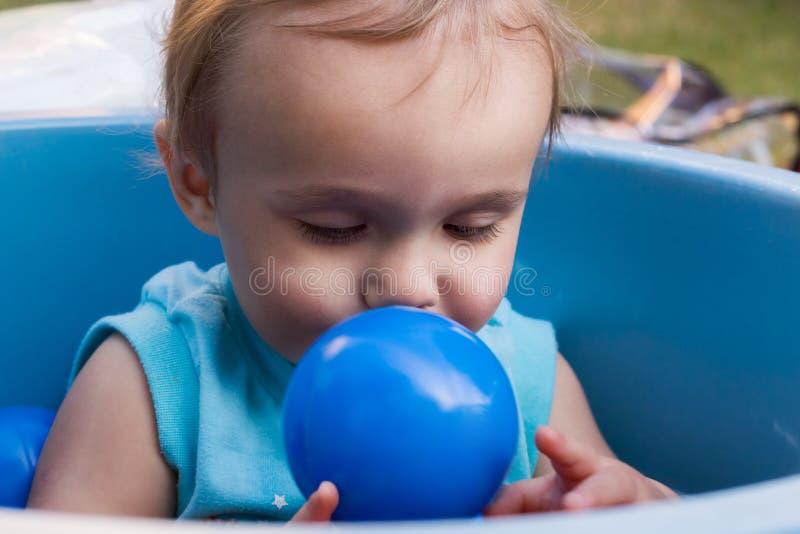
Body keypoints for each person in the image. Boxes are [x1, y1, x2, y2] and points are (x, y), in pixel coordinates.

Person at [27, 0, 677, 522]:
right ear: (199, 182)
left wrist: (633, 508)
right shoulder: (158, 384)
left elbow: (667, 515)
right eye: (333, 228)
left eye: (469, 226)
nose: (406, 286)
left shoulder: (529, 385)